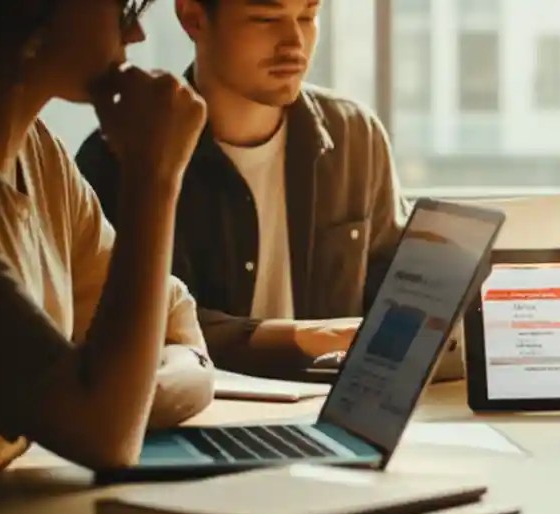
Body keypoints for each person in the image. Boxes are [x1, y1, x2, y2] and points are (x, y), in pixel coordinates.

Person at [77, 0, 409, 380]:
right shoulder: (126, 154)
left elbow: (393, 284)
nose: (294, 42)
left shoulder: (355, 135)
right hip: (197, 417)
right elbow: (143, 330)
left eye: (307, 16)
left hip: (332, 408)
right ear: (193, 18)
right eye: (265, 19)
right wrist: (311, 337)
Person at [0, 0, 213, 476]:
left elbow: (176, 325)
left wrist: (129, 391)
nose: (138, 36)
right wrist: (153, 176)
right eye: (122, 10)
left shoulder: (40, 156)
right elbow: (107, 434)